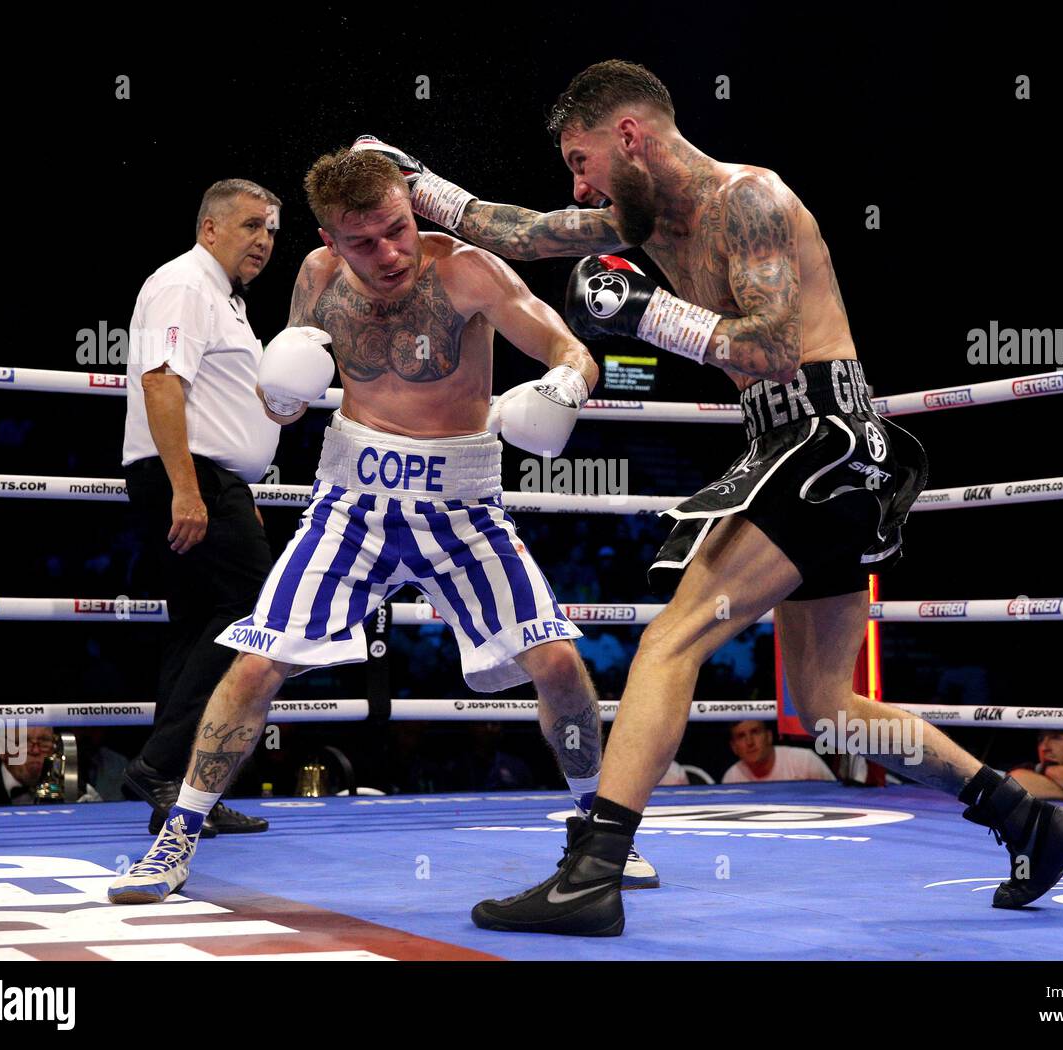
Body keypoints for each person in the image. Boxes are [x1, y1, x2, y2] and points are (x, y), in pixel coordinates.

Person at [376, 59, 1063, 935]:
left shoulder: (749, 201)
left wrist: (645, 315)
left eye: (581, 158)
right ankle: (1027, 817)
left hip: (822, 441)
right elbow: (520, 232)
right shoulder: (640, 216)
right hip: (807, 451)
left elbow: (772, 350)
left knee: (671, 638)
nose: (577, 182)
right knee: (827, 704)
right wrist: (417, 184)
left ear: (630, 136)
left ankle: (592, 872)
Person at [109, 146, 657, 903]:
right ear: (332, 239)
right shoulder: (315, 277)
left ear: (412, 210)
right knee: (255, 661)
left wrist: (564, 385)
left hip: (461, 506)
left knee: (557, 661)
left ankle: (599, 828)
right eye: (362, 241)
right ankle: (177, 837)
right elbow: (283, 399)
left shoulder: (468, 270)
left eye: (397, 230)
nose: (389, 253)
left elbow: (570, 350)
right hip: (352, 505)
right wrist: (283, 392)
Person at [120, 180, 284, 837]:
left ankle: (183, 794)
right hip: (188, 479)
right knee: (252, 614)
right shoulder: (186, 284)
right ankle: (160, 764)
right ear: (210, 229)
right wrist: (190, 487)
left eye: (270, 229)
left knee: (195, 628)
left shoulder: (225, 298)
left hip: (210, 481)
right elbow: (162, 381)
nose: (264, 241)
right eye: (250, 226)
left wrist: (236, 485)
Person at [722, 720, 835, 784]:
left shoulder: (804, 761)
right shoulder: (732, 778)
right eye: (741, 736)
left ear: (769, 736)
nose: (749, 742)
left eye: (755, 732)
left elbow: (837, 799)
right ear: (733, 747)